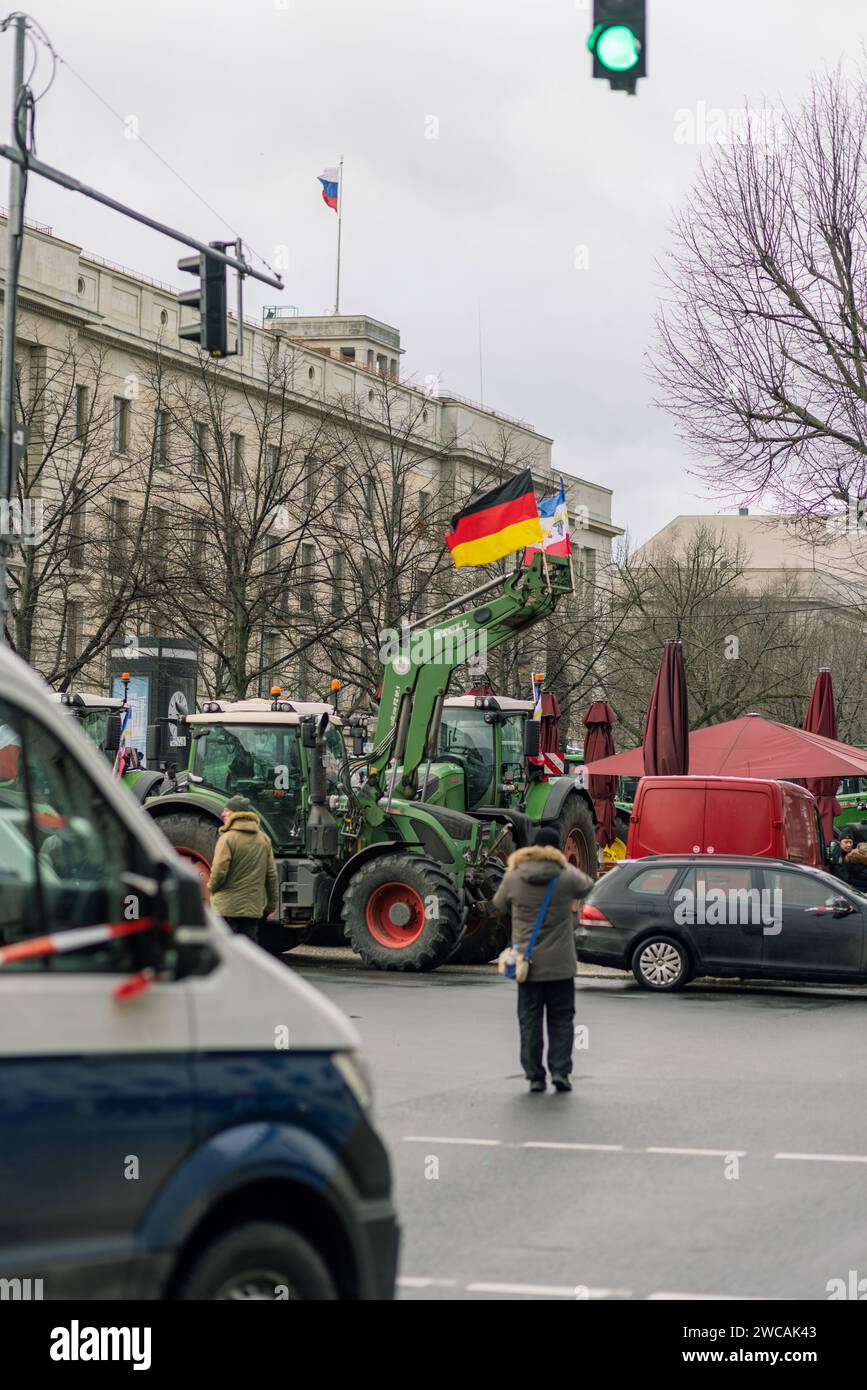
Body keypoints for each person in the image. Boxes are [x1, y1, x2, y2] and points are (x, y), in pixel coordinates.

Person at [492, 826, 594, 1094]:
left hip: (528, 964)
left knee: (530, 1020)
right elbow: (588, 885)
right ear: (555, 850)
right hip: (561, 965)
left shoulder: (514, 876)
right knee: (561, 1020)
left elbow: (498, 904)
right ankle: (560, 1073)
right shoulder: (565, 876)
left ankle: (535, 1076)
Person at [207, 795, 278, 943]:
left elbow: (219, 871)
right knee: (248, 950)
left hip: (226, 909)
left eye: (226, 811)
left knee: (227, 951)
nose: (223, 814)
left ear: (236, 813)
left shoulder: (227, 838)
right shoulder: (263, 839)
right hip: (252, 910)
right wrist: (271, 905)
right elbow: (271, 875)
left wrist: (211, 887)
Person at [829, 825, 867, 894]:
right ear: (840, 842)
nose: (849, 845)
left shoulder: (856, 854)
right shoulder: (837, 858)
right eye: (846, 842)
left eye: (850, 842)